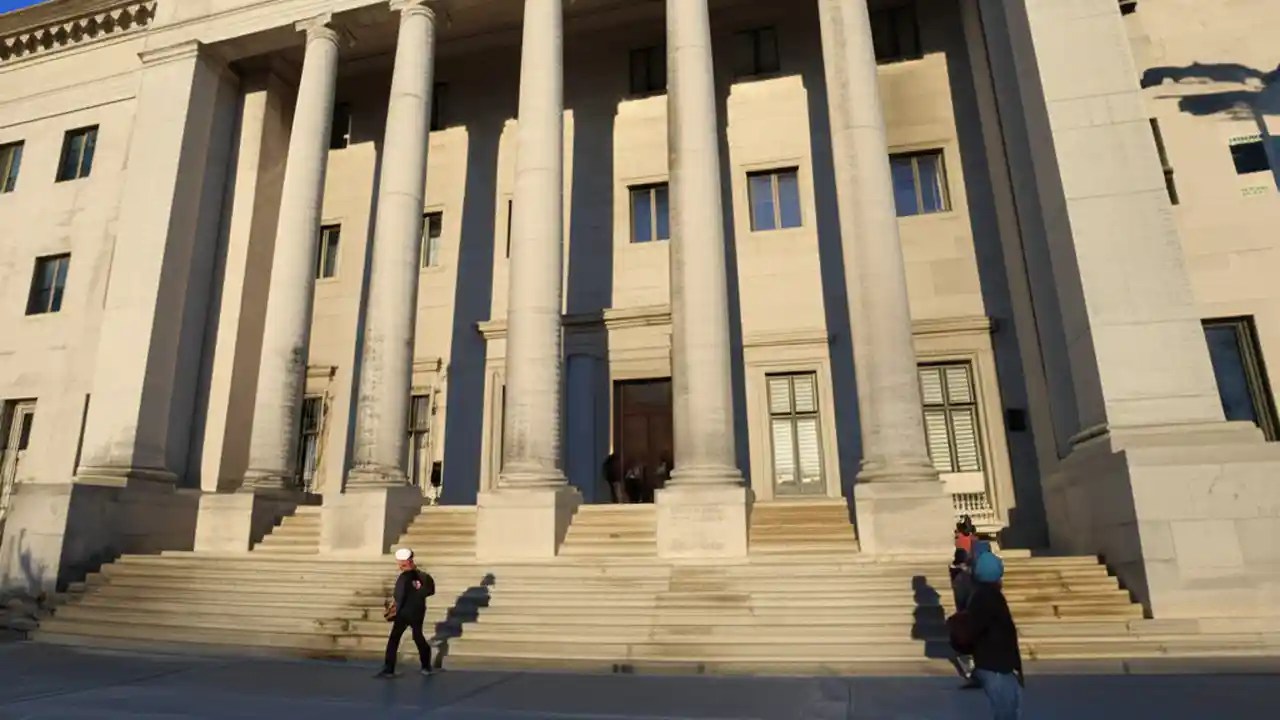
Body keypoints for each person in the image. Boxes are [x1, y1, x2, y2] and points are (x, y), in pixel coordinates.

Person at [968, 551, 1024, 719]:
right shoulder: (988, 597)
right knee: (1006, 713)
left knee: (1008, 711)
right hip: (997, 667)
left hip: (999, 666)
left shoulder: (985, 596)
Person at [376, 548, 436, 678]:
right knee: (418, 636)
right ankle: (426, 666)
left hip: (404, 612)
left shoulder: (403, 578)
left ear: (403, 562)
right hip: (419, 611)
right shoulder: (423, 576)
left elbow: (399, 595)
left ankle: (389, 669)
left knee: (394, 639)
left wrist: (393, 608)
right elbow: (430, 591)